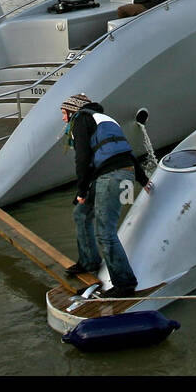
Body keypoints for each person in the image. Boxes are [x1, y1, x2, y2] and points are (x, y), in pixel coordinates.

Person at [61, 93, 152, 296]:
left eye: (64, 112)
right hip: (118, 173)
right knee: (81, 213)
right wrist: (143, 179)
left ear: (73, 109)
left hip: (111, 176)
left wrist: (82, 191)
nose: (63, 118)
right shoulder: (105, 120)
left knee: (105, 232)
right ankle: (89, 261)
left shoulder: (81, 119)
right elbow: (125, 151)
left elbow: (82, 157)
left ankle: (125, 283)